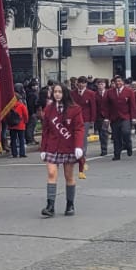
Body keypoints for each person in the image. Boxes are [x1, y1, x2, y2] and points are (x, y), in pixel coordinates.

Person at [38, 83, 85, 217]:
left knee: (68, 176)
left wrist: (78, 146)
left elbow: (79, 128)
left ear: (64, 93)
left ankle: (70, 204)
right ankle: (50, 206)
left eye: (59, 92)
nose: (57, 94)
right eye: (55, 92)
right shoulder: (48, 109)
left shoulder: (75, 109)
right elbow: (45, 130)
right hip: (53, 146)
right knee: (52, 174)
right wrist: (43, 148)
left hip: (68, 146)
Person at [5, 93, 30, 159]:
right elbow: (25, 114)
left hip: (12, 125)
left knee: (13, 140)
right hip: (21, 125)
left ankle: (14, 153)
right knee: (21, 139)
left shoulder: (9, 106)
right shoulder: (22, 106)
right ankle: (22, 153)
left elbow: (7, 115)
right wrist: (26, 121)